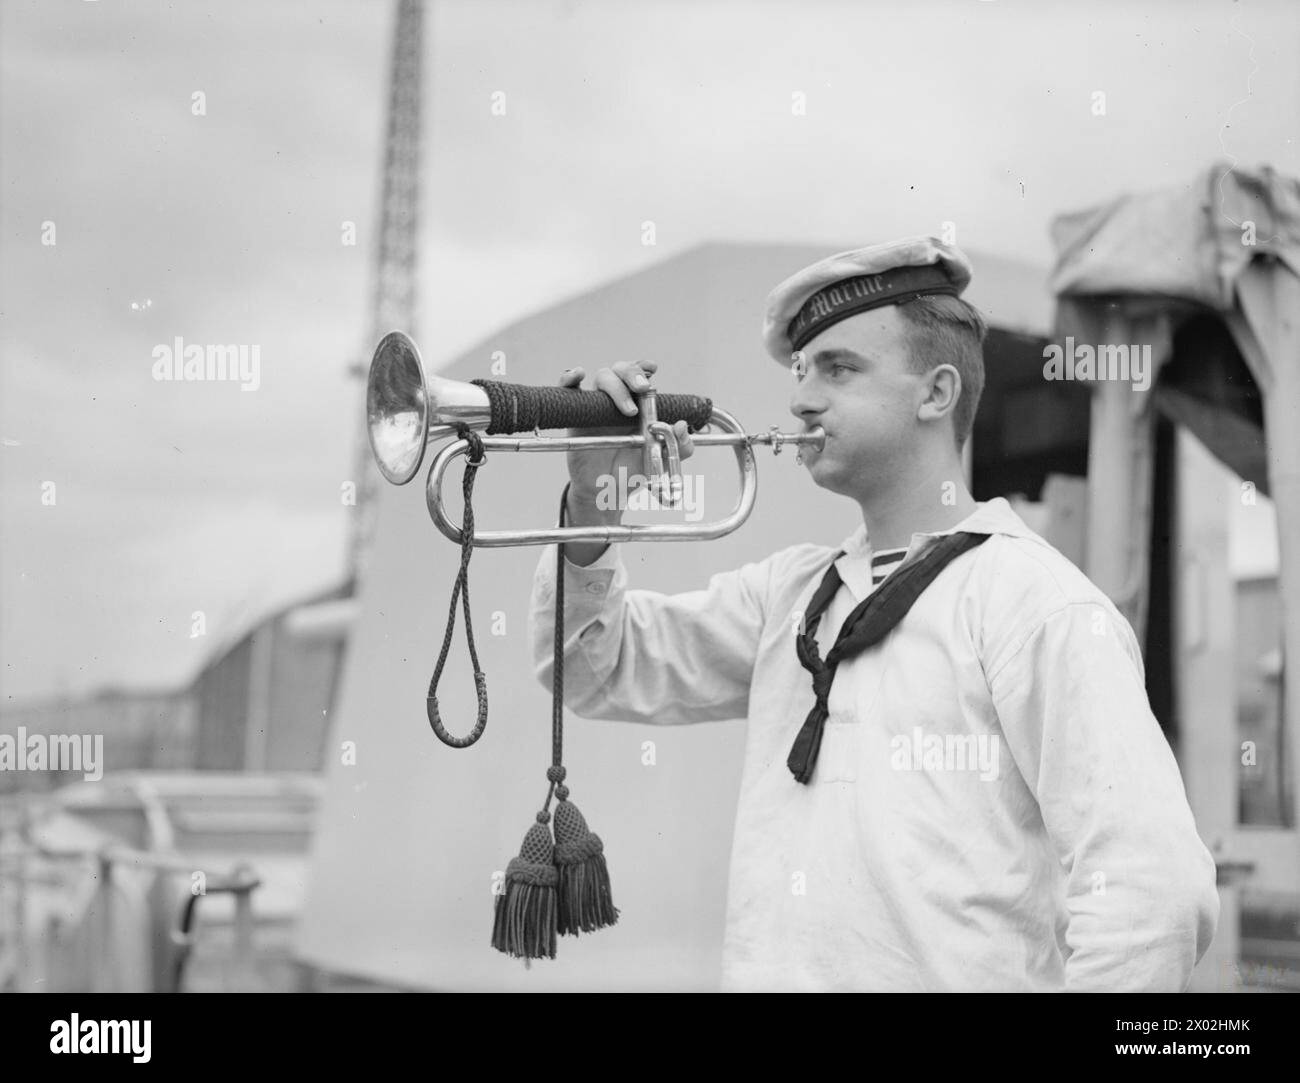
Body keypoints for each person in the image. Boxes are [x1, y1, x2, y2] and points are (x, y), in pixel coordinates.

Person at [528, 236, 1219, 992]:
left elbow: (1151, 894)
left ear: (937, 393)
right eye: (801, 370)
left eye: (840, 368)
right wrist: (595, 498)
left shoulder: (1037, 604)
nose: (800, 399)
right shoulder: (788, 594)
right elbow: (591, 668)